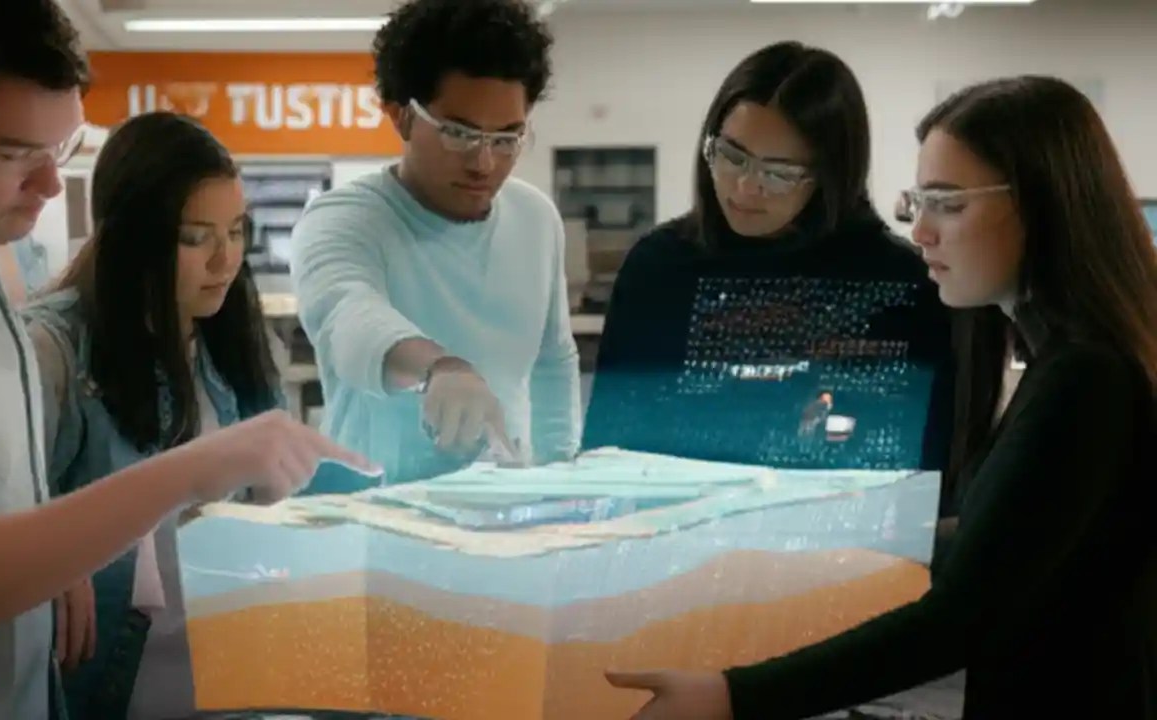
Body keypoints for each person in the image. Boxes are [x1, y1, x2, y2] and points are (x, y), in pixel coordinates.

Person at [605, 75, 1157, 719]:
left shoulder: (1085, 379)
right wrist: (820, 532)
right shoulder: (1070, 361)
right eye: (917, 202)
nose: (921, 231)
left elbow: (957, 618)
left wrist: (732, 696)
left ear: (1046, 202)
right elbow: (1001, 539)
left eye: (948, 204)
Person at [0, 2, 372, 718]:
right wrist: (189, 472)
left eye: (64, 150)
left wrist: (46, 544)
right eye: (16, 155)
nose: (51, 187)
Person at [583, 41, 953, 488]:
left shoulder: (899, 284)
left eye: (778, 173)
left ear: (831, 176)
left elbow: (930, 464)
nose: (744, 187)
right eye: (732, 156)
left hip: (848, 544)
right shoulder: (658, 267)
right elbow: (608, 445)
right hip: (669, 535)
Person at [22, 112, 291, 719]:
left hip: (222, 658)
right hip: (115, 675)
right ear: (134, 238)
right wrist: (54, 551)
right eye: (196, 238)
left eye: (237, 231)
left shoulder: (232, 340)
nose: (226, 261)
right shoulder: (56, 350)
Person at [291, 0, 581, 483]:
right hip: (372, 510)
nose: (484, 163)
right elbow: (350, 317)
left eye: (507, 138)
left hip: (502, 509)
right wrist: (439, 368)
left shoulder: (535, 218)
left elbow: (553, 361)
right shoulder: (344, 220)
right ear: (400, 116)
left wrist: (559, 477)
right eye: (459, 133)